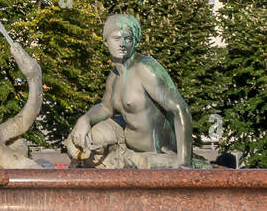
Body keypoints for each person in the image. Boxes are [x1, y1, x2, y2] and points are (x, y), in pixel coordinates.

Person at [66, 13, 193, 168]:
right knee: (80, 140)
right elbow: (106, 108)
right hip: (127, 148)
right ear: (106, 41)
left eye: (128, 38)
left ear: (135, 42)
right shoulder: (114, 76)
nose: (122, 44)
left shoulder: (145, 69)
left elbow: (181, 109)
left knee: (140, 163)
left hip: (158, 154)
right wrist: (85, 119)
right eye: (117, 38)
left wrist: (185, 163)